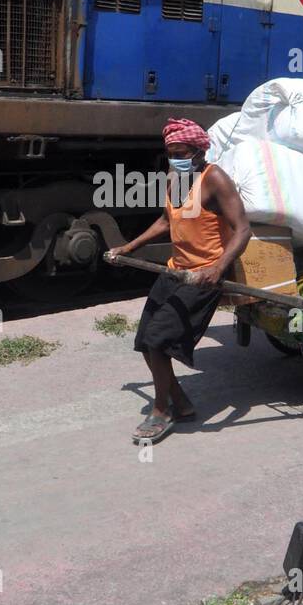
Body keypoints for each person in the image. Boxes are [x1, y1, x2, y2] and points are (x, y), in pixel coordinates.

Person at [107, 117, 251, 444]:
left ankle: (162, 410)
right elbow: (165, 220)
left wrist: (218, 268)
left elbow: (243, 229)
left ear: (199, 150)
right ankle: (182, 404)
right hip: (176, 269)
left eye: (182, 152)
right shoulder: (176, 176)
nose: (176, 158)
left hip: (202, 274)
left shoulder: (215, 180)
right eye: (171, 152)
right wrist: (129, 246)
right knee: (146, 340)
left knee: (159, 341)